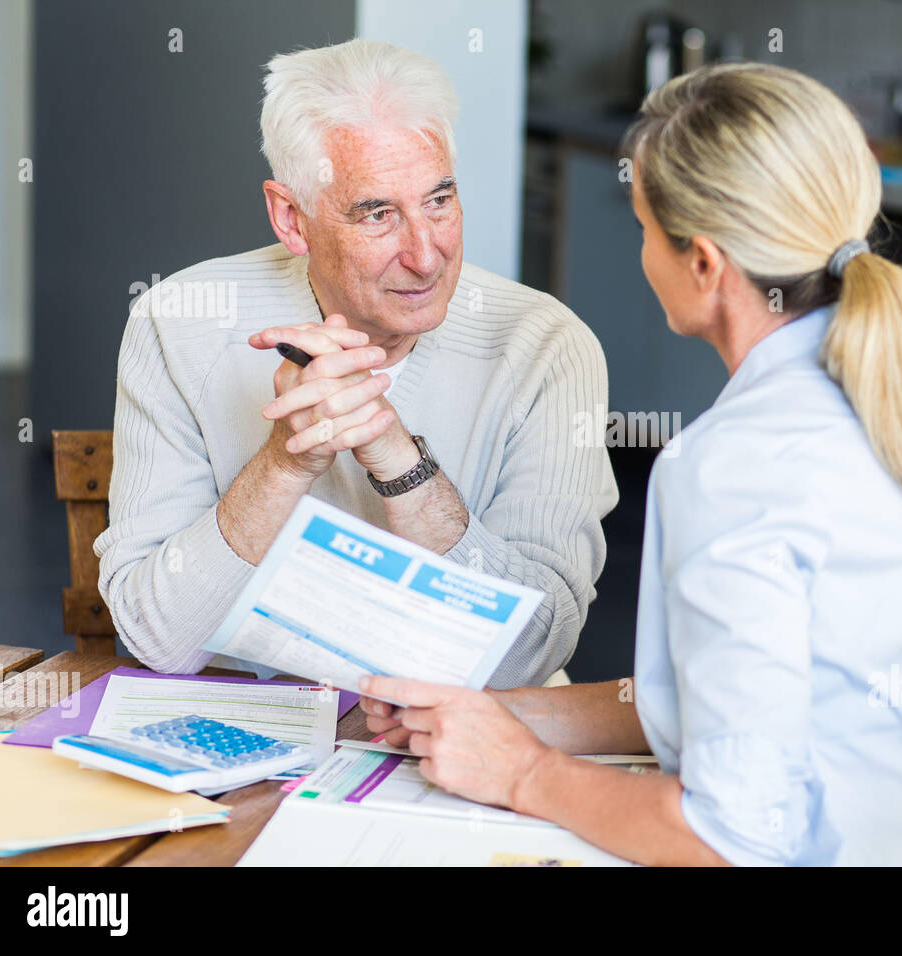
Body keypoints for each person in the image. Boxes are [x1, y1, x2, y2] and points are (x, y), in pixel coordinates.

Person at [359, 62, 902, 866]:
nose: (642, 254)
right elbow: (765, 700)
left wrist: (522, 773)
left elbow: (730, 841)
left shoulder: (732, 467)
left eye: (644, 231)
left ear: (704, 263)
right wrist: (505, 716)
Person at [95, 39, 617, 688]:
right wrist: (287, 462)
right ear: (292, 218)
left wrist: (398, 458)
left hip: (462, 749)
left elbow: (527, 658)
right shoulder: (178, 322)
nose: (426, 256)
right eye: (378, 214)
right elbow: (159, 639)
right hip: (249, 746)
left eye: (439, 201)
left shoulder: (545, 346)